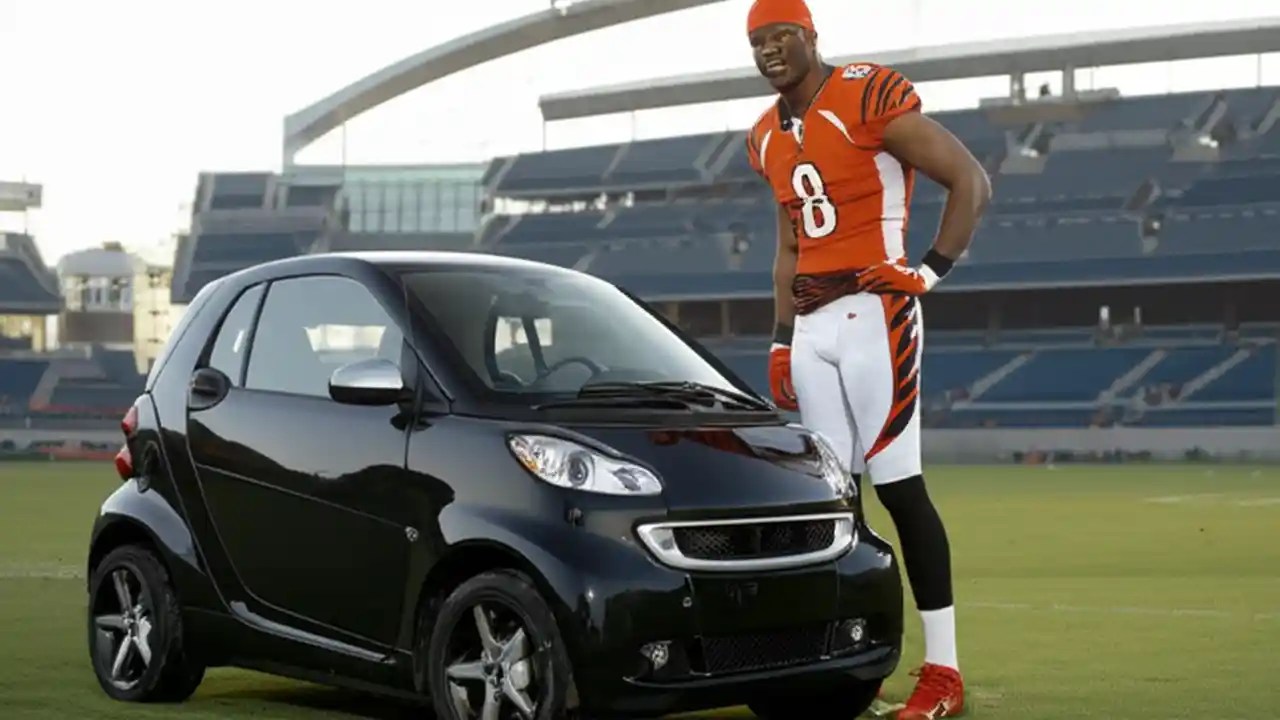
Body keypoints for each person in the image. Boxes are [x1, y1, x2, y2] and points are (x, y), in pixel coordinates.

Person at [743, 1, 992, 718]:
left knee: (900, 487)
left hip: (875, 316)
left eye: (782, 35)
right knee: (835, 500)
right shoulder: (763, 136)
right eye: (758, 41)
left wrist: (930, 271)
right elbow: (789, 244)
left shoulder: (865, 92)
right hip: (815, 326)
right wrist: (782, 337)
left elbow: (970, 178)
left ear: (812, 36)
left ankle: (943, 671)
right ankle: (853, 654)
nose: (771, 50)